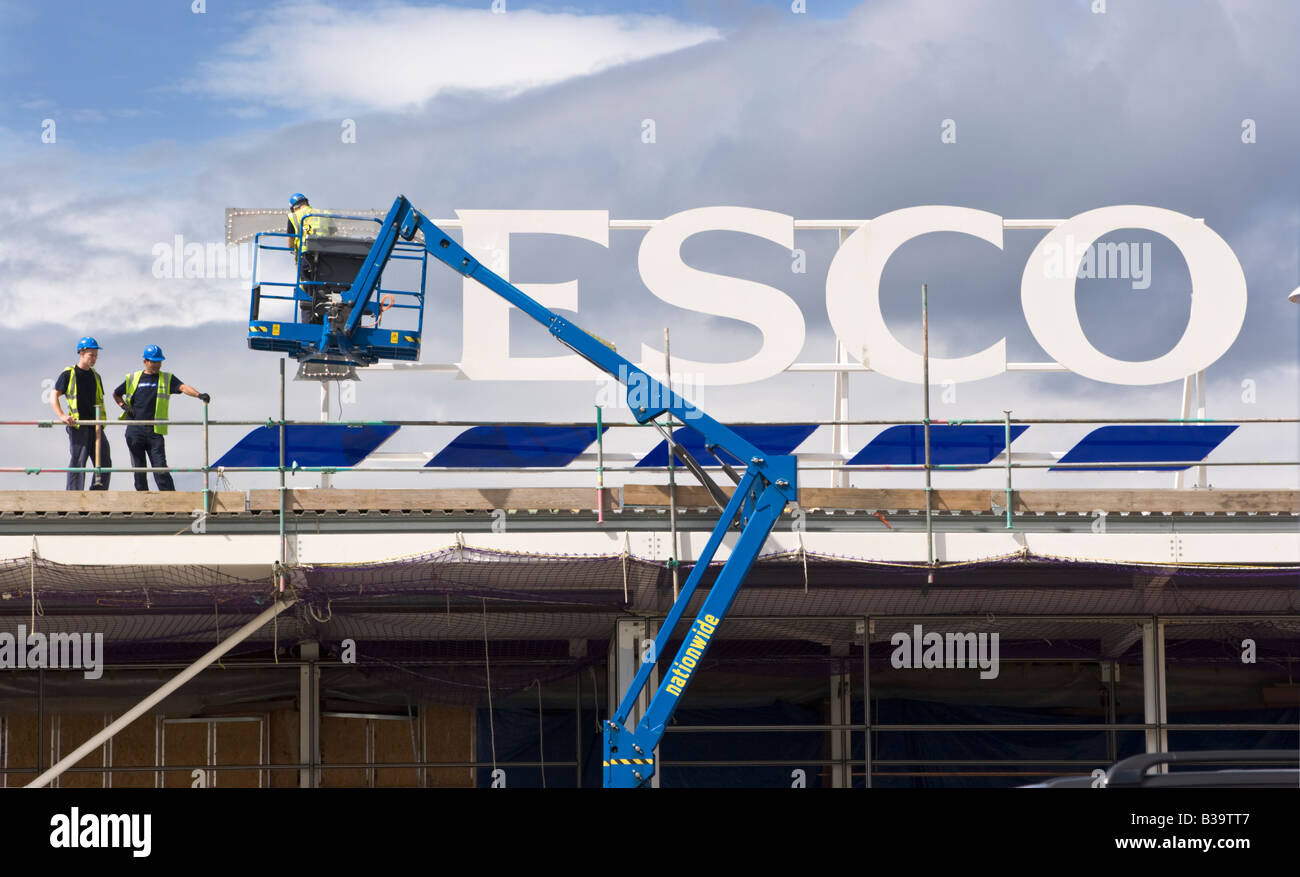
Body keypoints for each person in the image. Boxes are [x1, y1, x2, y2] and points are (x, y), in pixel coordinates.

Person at [112, 346, 210, 492]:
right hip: (135, 430)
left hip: (155, 431)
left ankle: (171, 500)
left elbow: (183, 387)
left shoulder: (166, 378)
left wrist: (198, 395)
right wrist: (124, 406)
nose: (157, 365)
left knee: (160, 468)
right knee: (139, 469)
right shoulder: (133, 378)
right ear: (145, 361)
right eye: (154, 362)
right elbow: (116, 394)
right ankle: (142, 501)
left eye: (159, 362)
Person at [50, 337, 112, 490]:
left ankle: (97, 494)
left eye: (96, 355)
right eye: (91, 355)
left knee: (104, 461)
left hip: (95, 426)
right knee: (79, 460)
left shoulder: (96, 376)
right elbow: (53, 396)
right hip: (78, 425)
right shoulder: (69, 374)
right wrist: (62, 416)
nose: (94, 358)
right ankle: (74, 495)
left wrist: (100, 424)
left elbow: (99, 400)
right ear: (82, 353)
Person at [287, 193, 336, 323]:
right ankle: (326, 319)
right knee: (325, 290)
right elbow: (333, 235)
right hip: (328, 260)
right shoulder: (324, 213)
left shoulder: (293, 216)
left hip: (306, 258)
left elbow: (290, 242)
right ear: (306, 202)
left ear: (293, 207)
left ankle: (310, 322)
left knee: (307, 291)